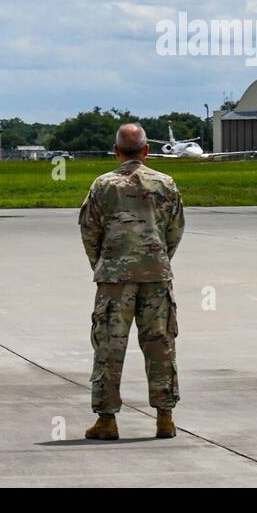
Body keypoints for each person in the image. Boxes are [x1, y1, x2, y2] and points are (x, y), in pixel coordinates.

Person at [78, 123, 184, 440]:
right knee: (160, 344)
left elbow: (89, 231)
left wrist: (104, 264)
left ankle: (107, 420)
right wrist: (157, 258)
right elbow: (175, 229)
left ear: (117, 151)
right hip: (155, 275)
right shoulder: (165, 184)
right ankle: (165, 417)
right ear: (146, 151)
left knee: (109, 347)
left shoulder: (103, 186)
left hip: (114, 279)